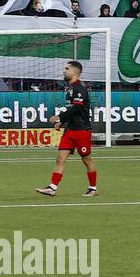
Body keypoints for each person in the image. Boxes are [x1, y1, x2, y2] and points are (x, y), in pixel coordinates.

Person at [35, 61, 98, 197]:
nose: (64, 71)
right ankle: (52, 187)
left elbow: (77, 108)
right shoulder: (70, 88)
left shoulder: (80, 88)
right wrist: (62, 122)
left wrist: (59, 117)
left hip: (81, 130)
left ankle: (93, 188)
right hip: (70, 130)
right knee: (60, 158)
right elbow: (71, 109)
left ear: (75, 72)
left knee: (87, 160)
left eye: (67, 68)